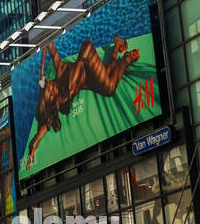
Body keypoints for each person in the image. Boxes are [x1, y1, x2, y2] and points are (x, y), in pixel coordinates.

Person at [26, 35, 140, 168]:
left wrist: (42, 60)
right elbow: (44, 126)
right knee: (107, 72)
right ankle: (117, 43)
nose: (49, 83)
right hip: (90, 76)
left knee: (109, 88)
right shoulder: (60, 98)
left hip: (86, 54)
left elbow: (50, 46)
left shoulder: (60, 69)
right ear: (53, 98)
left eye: (47, 85)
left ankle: (126, 59)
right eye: (49, 89)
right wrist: (33, 146)